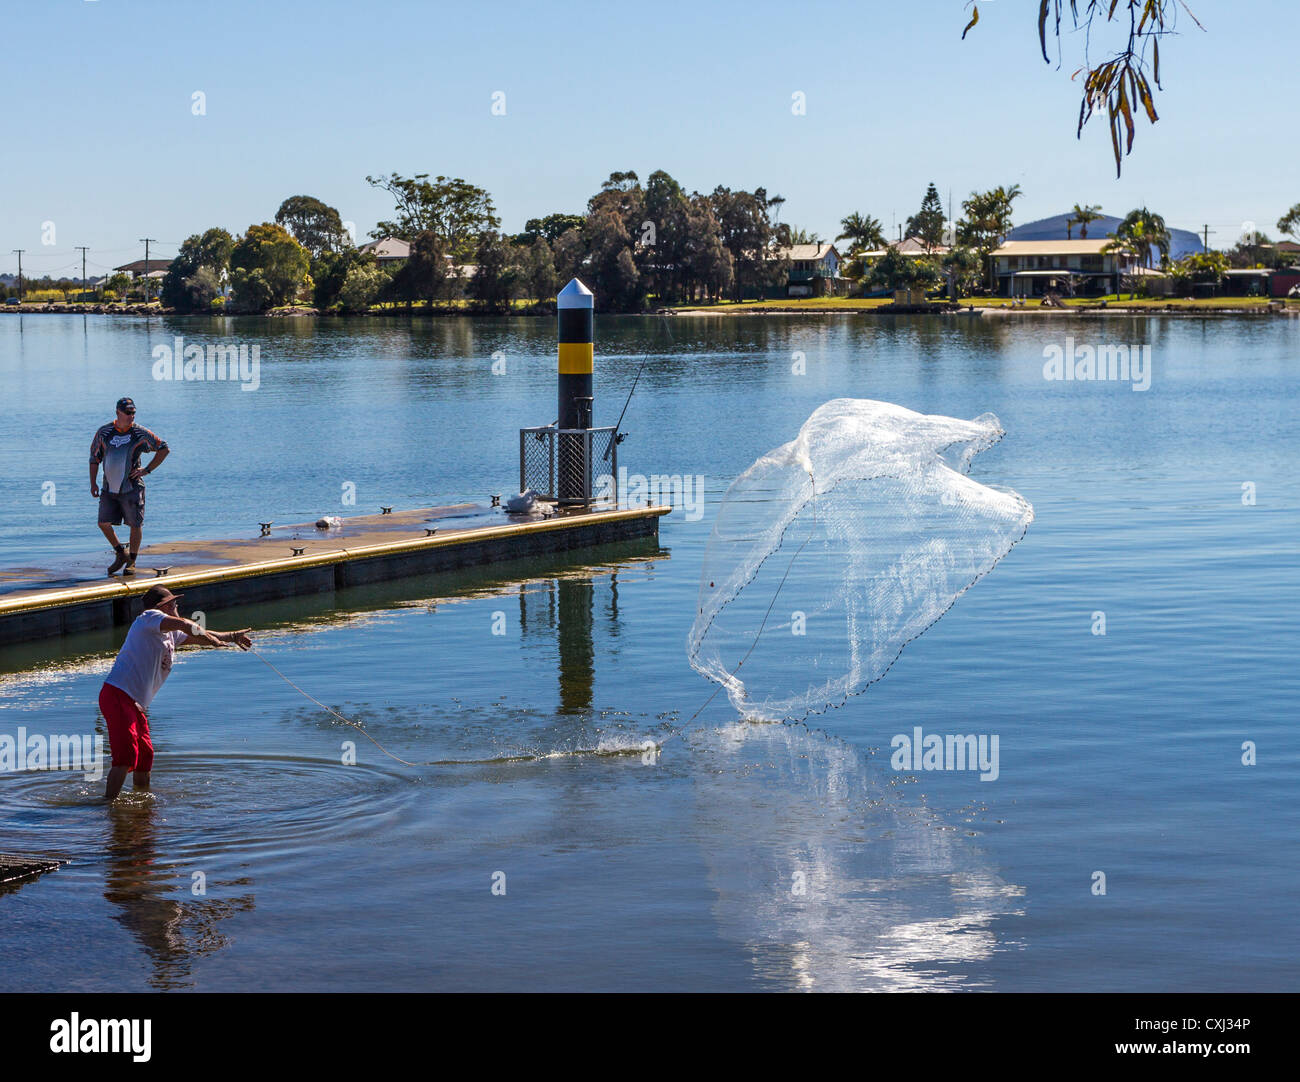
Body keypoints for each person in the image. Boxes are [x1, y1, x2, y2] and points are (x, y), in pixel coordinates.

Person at [99, 584, 252, 801]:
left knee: (145, 755)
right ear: (166, 606)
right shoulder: (149, 618)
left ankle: (141, 802)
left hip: (134, 703)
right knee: (126, 756)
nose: (177, 606)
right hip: (118, 694)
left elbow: (200, 633)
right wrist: (212, 641)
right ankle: (107, 807)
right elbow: (186, 624)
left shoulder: (169, 633)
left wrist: (232, 636)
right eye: (174, 603)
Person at [90, 397, 169, 576]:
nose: (131, 416)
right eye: (127, 413)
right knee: (103, 523)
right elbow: (94, 458)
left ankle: (131, 561)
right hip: (108, 488)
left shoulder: (139, 433)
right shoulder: (104, 432)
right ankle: (120, 553)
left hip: (132, 487)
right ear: (118, 412)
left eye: (133, 413)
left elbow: (163, 448)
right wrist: (92, 482)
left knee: (135, 524)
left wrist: (147, 470)